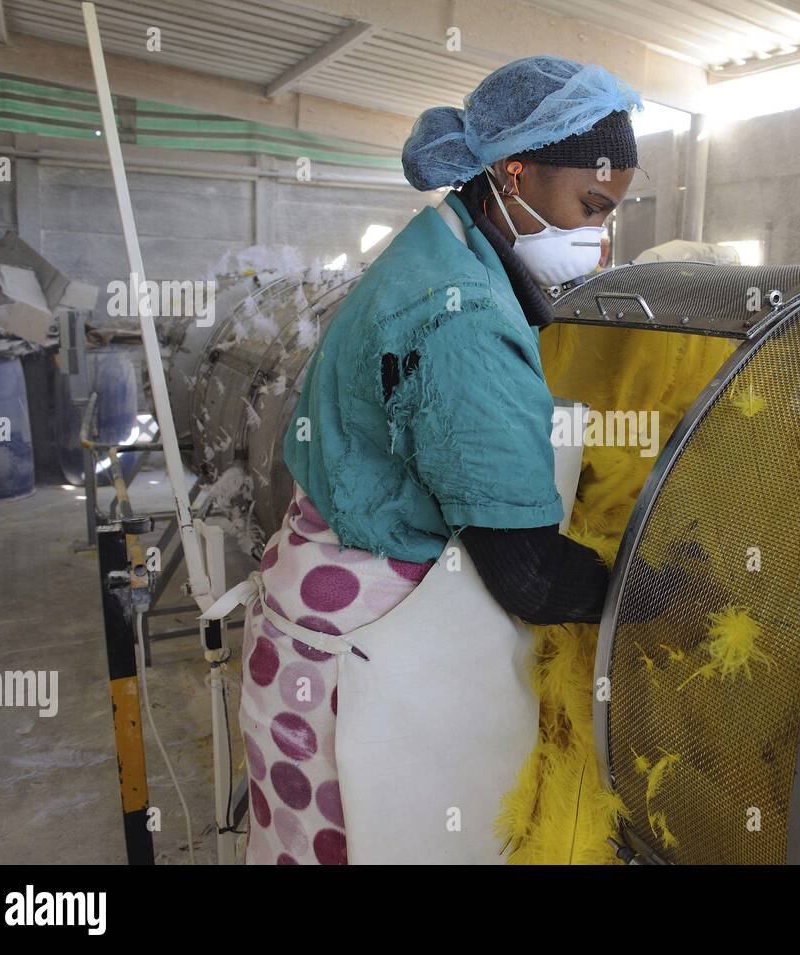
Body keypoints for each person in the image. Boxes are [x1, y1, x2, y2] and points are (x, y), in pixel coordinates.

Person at [237, 55, 642, 864]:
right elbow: (525, 572)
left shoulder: (440, 247)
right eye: (590, 209)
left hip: (309, 617)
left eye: (611, 219)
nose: (596, 245)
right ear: (514, 172)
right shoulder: (462, 319)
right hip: (360, 651)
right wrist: (646, 586)